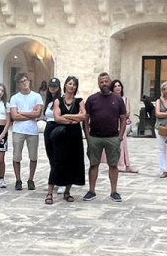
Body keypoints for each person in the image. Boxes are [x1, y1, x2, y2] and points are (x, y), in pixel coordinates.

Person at [83, 72, 127, 202]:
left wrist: (120, 136)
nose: (104, 84)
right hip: (95, 137)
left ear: (110, 82)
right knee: (93, 164)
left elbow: (123, 118)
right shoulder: (92, 99)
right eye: (101, 82)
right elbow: (85, 119)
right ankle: (91, 190)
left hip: (112, 137)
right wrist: (87, 136)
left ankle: (114, 191)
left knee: (113, 165)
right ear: (98, 83)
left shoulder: (117, 99)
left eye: (106, 81)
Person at [45, 76, 87, 204]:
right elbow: (57, 118)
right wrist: (74, 120)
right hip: (61, 135)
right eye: (70, 83)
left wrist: (67, 116)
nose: (72, 86)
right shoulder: (58, 100)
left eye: (74, 84)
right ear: (65, 85)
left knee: (72, 162)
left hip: (74, 136)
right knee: (57, 162)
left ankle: (67, 191)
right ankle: (49, 193)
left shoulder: (79, 101)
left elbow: (83, 116)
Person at [8, 73, 44, 191]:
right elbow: (14, 116)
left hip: (32, 130)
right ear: (18, 84)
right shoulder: (15, 98)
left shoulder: (36, 96)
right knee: (17, 156)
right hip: (18, 130)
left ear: (29, 81)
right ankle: (18, 180)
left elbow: (38, 114)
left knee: (33, 156)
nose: (24, 83)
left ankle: (31, 179)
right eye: (21, 81)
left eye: (25, 80)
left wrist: (22, 113)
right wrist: (30, 114)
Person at [107, 79, 137, 174]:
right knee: (112, 144)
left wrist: (120, 114)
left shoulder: (125, 99)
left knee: (123, 143)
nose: (117, 87)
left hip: (122, 123)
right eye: (115, 86)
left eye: (119, 85)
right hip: (112, 123)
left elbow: (127, 112)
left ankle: (127, 165)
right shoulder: (109, 99)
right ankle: (115, 164)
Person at [42, 77, 62, 186]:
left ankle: (60, 181)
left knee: (57, 155)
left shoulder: (60, 100)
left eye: (55, 86)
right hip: (48, 127)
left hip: (56, 127)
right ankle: (53, 179)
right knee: (50, 155)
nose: (53, 88)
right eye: (51, 86)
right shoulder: (49, 102)